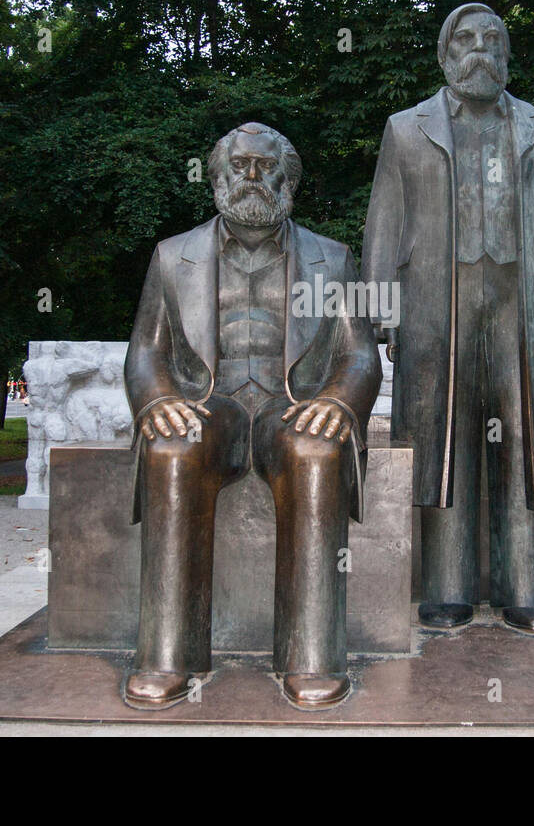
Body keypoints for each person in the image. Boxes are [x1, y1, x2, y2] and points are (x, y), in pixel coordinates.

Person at [122, 122, 380, 711]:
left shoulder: (333, 258)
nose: (254, 177)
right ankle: (169, 655)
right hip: (208, 404)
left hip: (292, 405)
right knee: (171, 448)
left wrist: (338, 401)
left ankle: (311, 655)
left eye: (268, 167)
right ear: (217, 177)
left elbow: (359, 353)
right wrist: (158, 399)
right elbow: (145, 351)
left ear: (289, 179)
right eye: (240, 166)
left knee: (315, 450)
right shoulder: (172, 256)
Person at [362, 3, 534, 633]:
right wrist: (378, 313)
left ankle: (527, 588)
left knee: (527, 443)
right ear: (444, 55)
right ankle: (448, 588)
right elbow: (384, 225)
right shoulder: (405, 130)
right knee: (447, 442)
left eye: (492, 40)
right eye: (465, 40)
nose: (479, 49)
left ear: (507, 55)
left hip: (526, 306)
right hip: (436, 305)